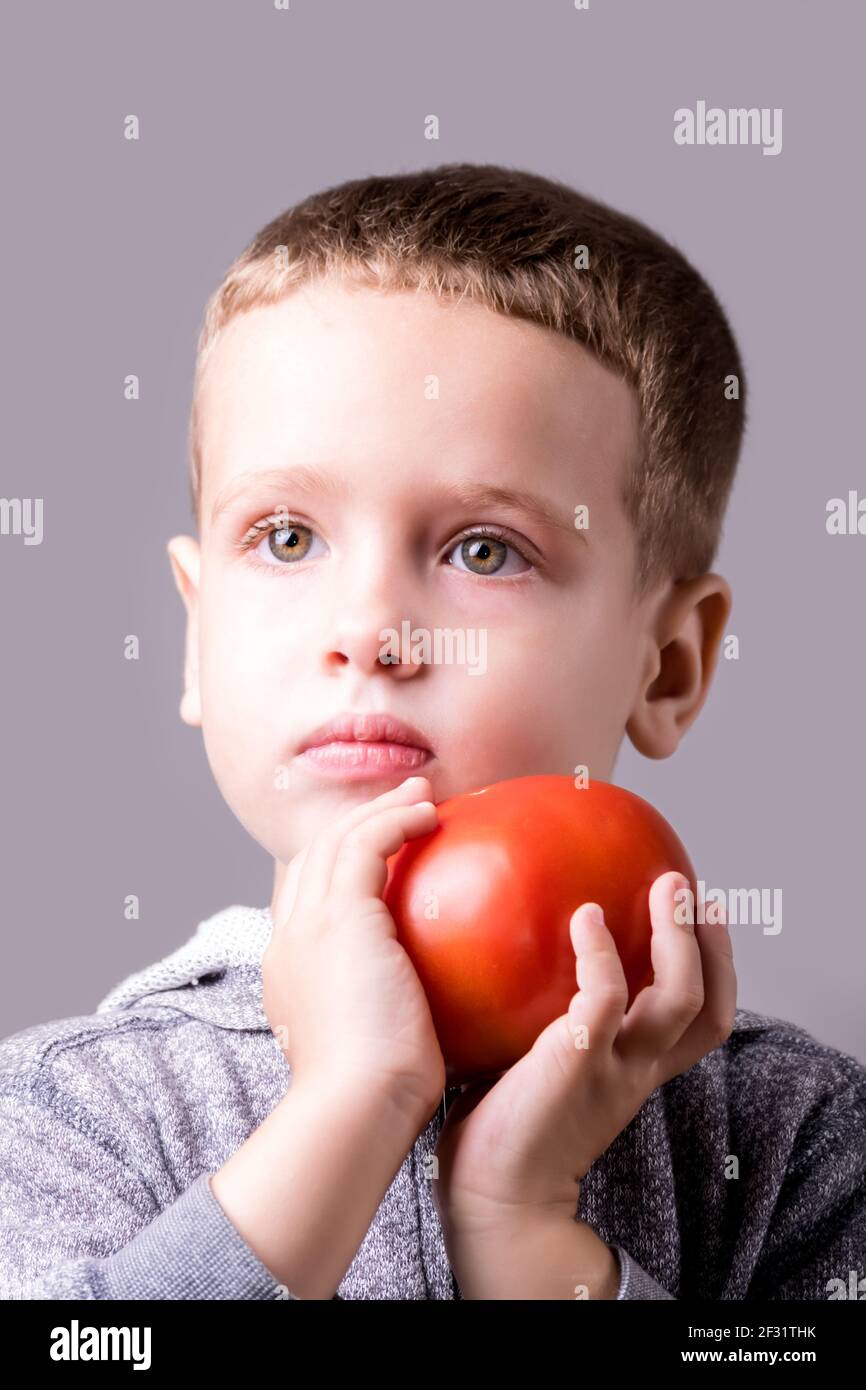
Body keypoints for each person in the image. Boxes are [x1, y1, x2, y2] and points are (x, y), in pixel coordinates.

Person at [2, 163, 864, 1300]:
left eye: (482, 549)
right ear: (195, 631)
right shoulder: (69, 1110)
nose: (369, 632)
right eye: (287, 536)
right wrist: (343, 1114)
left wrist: (526, 1238)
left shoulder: (796, 1136)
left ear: (667, 664)